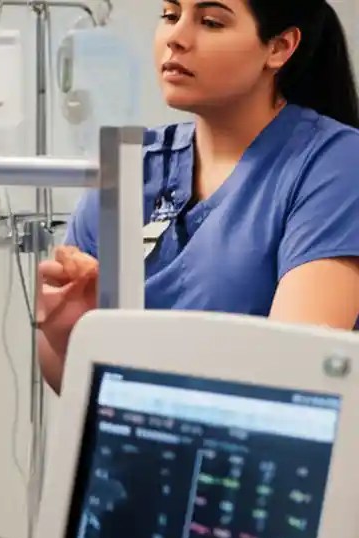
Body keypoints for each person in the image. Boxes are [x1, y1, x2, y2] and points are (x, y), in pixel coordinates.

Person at [38, 0, 359, 391]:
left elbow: (293, 376)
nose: (176, 38)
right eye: (170, 16)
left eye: (210, 22)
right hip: (127, 446)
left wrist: (125, 356)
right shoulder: (129, 168)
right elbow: (69, 386)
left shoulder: (335, 165)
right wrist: (64, 334)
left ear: (279, 47)